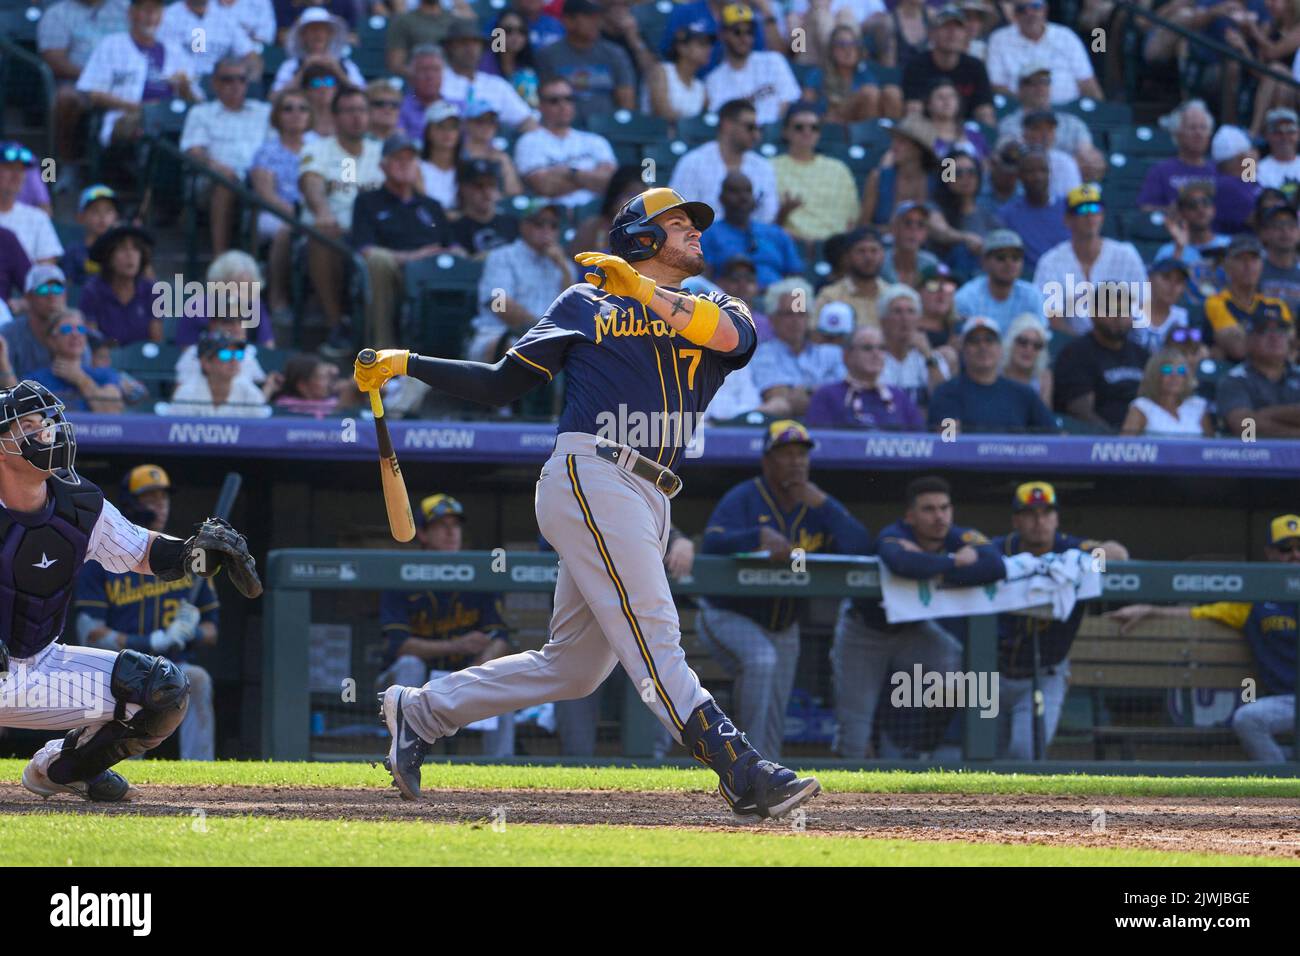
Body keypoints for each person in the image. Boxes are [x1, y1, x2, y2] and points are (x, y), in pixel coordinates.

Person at [355, 186, 822, 820]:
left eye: (694, 225)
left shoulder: (717, 302)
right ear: (641, 236)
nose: (695, 233)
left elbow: (733, 339)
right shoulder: (584, 300)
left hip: (653, 490)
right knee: (656, 629)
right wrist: (409, 361)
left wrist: (644, 292)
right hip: (592, 469)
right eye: (678, 224)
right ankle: (740, 768)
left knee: (574, 668)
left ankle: (420, 711)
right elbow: (502, 385)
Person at [1, 380, 258, 800]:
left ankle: (64, 770)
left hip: (38, 668)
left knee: (162, 690)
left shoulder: (79, 505)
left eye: (45, 423)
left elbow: (143, 551)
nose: (45, 433)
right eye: (26, 426)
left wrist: (195, 553)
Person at [698, 420, 872, 757]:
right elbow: (711, 543)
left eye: (802, 455)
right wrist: (755, 538)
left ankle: (768, 774)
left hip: (783, 625)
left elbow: (861, 545)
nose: (796, 461)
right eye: (786, 454)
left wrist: (825, 505)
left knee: (775, 709)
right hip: (729, 615)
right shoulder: (746, 497)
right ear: (767, 461)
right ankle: (743, 761)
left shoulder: (818, 505)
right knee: (761, 661)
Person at [830, 475, 1002, 758]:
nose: (939, 516)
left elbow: (995, 566)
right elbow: (901, 562)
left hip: (913, 631)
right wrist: (954, 561)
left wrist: (933, 565)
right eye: (929, 509)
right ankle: (843, 793)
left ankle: (919, 748)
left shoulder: (959, 536)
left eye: (944, 508)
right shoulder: (894, 533)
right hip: (865, 633)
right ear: (910, 516)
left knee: (958, 676)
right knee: (854, 737)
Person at [1107, 513, 1298, 763]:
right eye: (1286, 549)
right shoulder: (1255, 601)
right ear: (1270, 554)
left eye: (1299, 548)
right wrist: (1150, 610)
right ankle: (1281, 778)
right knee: (1248, 718)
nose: (1295, 555)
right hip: (1284, 700)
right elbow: (1197, 613)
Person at [75, 464, 221, 761]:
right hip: (119, 668)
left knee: (200, 678)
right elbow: (90, 632)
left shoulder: (186, 559)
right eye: (149, 498)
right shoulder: (101, 560)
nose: (159, 505)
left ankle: (199, 769)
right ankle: (123, 770)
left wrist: (190, 633)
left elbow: (212, 631)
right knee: (128, 697)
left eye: (163, 498)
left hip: (174, 667)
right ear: (130, 503)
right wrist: (151, 643)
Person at [991, 481, 1127, 760]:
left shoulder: (1070, 549)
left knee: (1025, 753)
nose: (1039, 521)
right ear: (1016, 520)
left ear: (1056, 518)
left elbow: (1117, 553)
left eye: (1046, 513)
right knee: (981, 757)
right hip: (991, 674)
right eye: (1030, 514)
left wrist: (1076, 561)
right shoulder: (998, 549)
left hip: (1044, 674)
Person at [378, 494, 516, 757]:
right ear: (423, 534)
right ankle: (404, 754)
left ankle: (501, 765)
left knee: (501, 675)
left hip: (461, 676)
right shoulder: (400, 573)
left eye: (456, 525)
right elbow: (399, 645)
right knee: (410, 665)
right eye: (442, 525)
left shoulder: (480, 573)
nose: (452, 532)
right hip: (414, 680)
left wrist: (480, 668)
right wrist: (456, 645)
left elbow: (500, 636)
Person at [351, 134, 458, 349]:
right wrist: (414, 258)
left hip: (436, 272)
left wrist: (457, 254)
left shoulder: (431, 205)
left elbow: (452, 244)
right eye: (398, 159)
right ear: (383, 166)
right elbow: (365, 250)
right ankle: (383, 351)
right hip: (396, 271)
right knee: (378, 260)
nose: (405, 164)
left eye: (410, 159)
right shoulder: (367, 201)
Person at [298, 86, 384, 351]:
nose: (356, 117)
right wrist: (323, 211)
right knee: (321, 236)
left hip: (374, 234)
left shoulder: (380, 150)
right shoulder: (318, 148)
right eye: (348, 111)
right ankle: (337, 325)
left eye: (361, 110)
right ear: (335, 117)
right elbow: (311, 182)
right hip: (336, 232)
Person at [179, 56, 272, 254]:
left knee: (260, 183)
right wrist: (217, 167)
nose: (235, 85)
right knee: (225, 182)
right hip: (212, 179)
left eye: (241, 79)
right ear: (214, 83)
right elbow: (193, 150)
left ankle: (253, 266)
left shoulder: (263, 112)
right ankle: (219, 258)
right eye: (227, 79)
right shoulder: (201, 112)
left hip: (257, 179)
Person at [76, 0, 197, 148]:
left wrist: (185, 86)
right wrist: (140, 108)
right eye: (146, 11)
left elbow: (195, 100)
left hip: (170, 116)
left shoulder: (175, 50)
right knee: (146, 128)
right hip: (127, 115)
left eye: (156, 11)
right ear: (131, 13)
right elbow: (92, 93)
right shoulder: (111, 44)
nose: (151, 17)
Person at [1032, 184, 1148, 336]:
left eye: (1095, 209)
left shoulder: (1126, 254)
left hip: (1122, 340)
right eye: (1082, 210)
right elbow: (1051, 317)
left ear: (1102, 215)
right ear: (1068, 219)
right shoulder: (1050, 262)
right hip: (1071, 347)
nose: (1089, 216)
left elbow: (1143, 305)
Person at [466, 199, 572, 362]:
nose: (547, 230)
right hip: (499, 334)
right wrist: (540, 331)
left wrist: (564, 268)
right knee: (511, 349)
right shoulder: (502, 256)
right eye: (539, 223)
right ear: (524, 226)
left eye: (553, 225)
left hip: (551, 341)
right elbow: (498, 303)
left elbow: (573, 307)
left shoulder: (564, 265)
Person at [249, 88, 317, 325]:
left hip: (313, 212)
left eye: (302, 108)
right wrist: (294, 214)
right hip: (276, 212)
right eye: (288, 108)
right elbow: (265, 192)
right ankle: (278, 298)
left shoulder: (319, 147)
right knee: (284, 231)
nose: (296, 114)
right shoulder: (267, 149)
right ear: (277, 115)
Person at [38, 0, 130, 163]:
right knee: (65, 98)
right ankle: (66, 163)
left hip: (127, 81)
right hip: (79, 83)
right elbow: (54, 60)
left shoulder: (126, 8)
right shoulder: (57, 13)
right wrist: (95, 77)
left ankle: (132, 170)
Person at [927, 315, 1055, 433]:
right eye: (974, 341)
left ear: (1000, 349)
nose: (983, 346)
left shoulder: (1024, 394)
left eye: (989, 340)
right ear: (963, 350)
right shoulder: (947, 393)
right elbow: (947, 443)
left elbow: (1054, 438)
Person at [1052, 282, 1151, 430]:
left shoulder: (1142, 355)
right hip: (1097, 440)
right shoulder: (1076, 354)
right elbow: (1080, 410)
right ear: (1093, 314)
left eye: (1124, 310)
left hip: (1145, 438)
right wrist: (1115, 440)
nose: (1118, 316)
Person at [514, 77, 617, 211]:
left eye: (568, 99)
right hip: (553, 220)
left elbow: (610, 183)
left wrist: (571, 173)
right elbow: (544, 186)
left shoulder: (595, 141)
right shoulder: (529, 141)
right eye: (554, 101)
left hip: (596, 215)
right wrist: (591, 179)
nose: (563, 105)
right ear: (540, 106)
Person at [670, 99, 780, 224]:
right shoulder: (693, 163)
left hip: (752, 239)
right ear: (727, 124)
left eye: (759, 129)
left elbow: (768, 217)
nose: (756, 135)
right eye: (750, 127)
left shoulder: (763, 167)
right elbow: (680, 213)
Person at [748, 279, 846, 417]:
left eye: (801, 313)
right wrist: (823, 392)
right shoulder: (761, 355)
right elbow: (777, 397)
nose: (796, 320)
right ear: (772, 319)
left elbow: (845, 396)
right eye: (788, 314)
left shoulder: (833, 354)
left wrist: (801, 392)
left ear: (809, 318)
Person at [997, 64, 1104, 181]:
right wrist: (1066, 165)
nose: (1040, 87)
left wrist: (1087, 162)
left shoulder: (1072, 122)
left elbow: (1088, 157)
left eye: (1045, 82)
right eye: (1032, 82)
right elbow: (1014, 156)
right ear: (1020, 89)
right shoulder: (1009, 123)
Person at [806, 324, 925, 429]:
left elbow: (922, 443)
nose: (876, 354)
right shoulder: (827, 396)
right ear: (846, 356)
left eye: (881, 348)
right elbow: (821, 445)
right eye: (867, 348)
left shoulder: (898, 396)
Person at [535, 0, 636, 123]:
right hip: (564, 129)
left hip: (608, 130)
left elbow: (626, 100)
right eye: (589, 17)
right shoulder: (548, 55)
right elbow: (544, 99)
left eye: (598, 17)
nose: (596, 23)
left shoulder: (614, 53)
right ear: (568, 21)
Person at [772, 107, 859, 247]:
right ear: (785, 132)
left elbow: (851, 221)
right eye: (799, 127)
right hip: (788, 243)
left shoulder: (838, 169)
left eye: (814, 127)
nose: (807, 132)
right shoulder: (770, 168)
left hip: (835, 246)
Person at [985, 0, 1102, 103]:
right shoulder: (999, 39)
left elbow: (1087, 82)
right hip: (1021, 113)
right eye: (1022, 9)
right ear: (1014, 15)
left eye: (1036, 6)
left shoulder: (1066, 36)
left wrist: (1102, 110)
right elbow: (996, 86)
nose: (1030, 13)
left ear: (1045, 10)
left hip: (1069, 111)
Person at [701, 173, 804, 289]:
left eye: (748, 191)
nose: (743, 198)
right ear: (721, 198)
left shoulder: (776, 234)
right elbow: (704, 280)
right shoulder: (709, 234)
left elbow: (796, 277)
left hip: (774, 300)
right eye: (735, 191)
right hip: (730, 300)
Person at [704, 3, 800, 125]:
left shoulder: (774, 61)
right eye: (737, 32)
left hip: (775, 135)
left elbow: (789, 100)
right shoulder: (714, 80)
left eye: (749, 32)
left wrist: (771, 132)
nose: (744, 38)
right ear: (723, 34)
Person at [900, 5, 995, 125]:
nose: (952, 33)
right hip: (926, 132)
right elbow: (913, 110)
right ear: (932, 34)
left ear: (966, 35)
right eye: (945, 27)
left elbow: (984, 110)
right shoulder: (916, 65)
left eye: (958, 28)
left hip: (966, 132)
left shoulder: (976, 67)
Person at [1204, 234, 1292, 363]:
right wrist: (1274, 342)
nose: (1248, 265)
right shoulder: (1216, 302)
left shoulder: (1277, 305)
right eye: (1240, 259)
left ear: (1262, 265)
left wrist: (1245, 333)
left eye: (1254, 259)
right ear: (1227, 265)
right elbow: (1238, 349)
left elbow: (1291, 346)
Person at [438, 18, 536, 131]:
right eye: (463, 43)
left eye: (475, 43)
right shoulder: (438, 80)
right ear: (450, 47)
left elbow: (527, 120)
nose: (470, 49)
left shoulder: (496, 84)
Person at [1216, 308, 1300, 438]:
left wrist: (1263, 414)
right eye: (1263, 331)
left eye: (1281, 331)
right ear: (1248, 340)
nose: (1274, 337)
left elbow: (1250, 422)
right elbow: (1245, 429)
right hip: (1253, 455)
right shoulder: (1234, 379)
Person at [76, 224, 162, 346]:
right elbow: (92, 342)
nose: (130, 255)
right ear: (108, 257)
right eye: (122, 249)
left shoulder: (152, 291)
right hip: (104, 362)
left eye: (136, 249)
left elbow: (156, 344)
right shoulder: (92, 291)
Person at [29, 310, 125, 413]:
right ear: (51, 340)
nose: (75, 334)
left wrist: (81, 379)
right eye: (66, 329)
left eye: (80, 329)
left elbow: (112, 413)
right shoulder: (35, 381)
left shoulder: (104, 374)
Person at [1152, 180, 1227, 310]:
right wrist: (1180, 248)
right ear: (1181, 213)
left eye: (1205, 203)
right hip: (1185, 317)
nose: (1200, 209)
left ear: (1213, 209)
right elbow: (1159, 294)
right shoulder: (1169, 250)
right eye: (1192, 205)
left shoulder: (1230, 245)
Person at [954, 230, 1044, 333]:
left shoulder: (1033, 295)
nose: (1009, 263)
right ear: (984, 262)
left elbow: (1041, 338)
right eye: (1001, 257)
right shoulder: (966, 297)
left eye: (1015, 257)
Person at [801, 23, 893, 123]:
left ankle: (883, 136)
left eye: (853, 45)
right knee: (868, 93)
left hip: (859, 121)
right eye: (842, 45)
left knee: (892, 93)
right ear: (832, 49)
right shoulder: (817, 74)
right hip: (829, 124)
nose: (848, 50)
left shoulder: (864, 75)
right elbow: (806, 107)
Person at [996, 146, 1067, 272]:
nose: (1038, 177)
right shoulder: (1007, 214)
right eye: (1030, 171)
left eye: (1043, 170)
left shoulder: (1067, 207)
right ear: (1020, 176)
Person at [813, 226, 900, 330]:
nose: (868, 257)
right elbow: (815, 333)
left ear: (882, 255)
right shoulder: (829, 297)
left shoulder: (893, 296)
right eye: (861, 251)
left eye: (874, 251)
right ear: (847, 257)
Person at [859, 114, 938, 227]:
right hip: (882, 242)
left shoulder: (935, 181)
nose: (893, 146)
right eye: (894, 140)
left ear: (919, 149)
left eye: (902, 142)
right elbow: (863, 225)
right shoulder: (878, 177)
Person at [1137, 100, 1216, 212]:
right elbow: (1145, 209)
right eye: (1192, 128)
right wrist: (1176, 211)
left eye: (1203, 128)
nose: (1199, 133)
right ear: (1178, 134)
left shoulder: (1219, 171)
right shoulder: (1160, 172)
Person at [166, 331, 269, 416]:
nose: (234, 360)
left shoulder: (250, 393)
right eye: (226, 354)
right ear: (205, 363)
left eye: (238, 354)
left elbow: (263, 434)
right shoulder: (186, 394)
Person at [879, 286, 949, 406]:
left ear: (918, 319)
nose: (904, 318)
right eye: (897, 311)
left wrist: (928, 355)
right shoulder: (873, 355)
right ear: (883, 321)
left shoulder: (932, 358)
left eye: (911, 311)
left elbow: (944, 401)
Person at [1120, 348, 1214, 436]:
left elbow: (1211, 449)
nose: (1174, 376)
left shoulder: (1197, 406)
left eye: (1180, 370)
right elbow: (1125, 448)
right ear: (1155, 375)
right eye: (1167, 370)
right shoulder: (1142, 407)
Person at [270, 6, 364, 93]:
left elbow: (363, 95)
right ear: (303, 36)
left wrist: (338, 71)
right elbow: (275, 97)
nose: (318, 35)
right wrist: (304, 69)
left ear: (330, 34)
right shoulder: (291, 66)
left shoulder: (345, 65)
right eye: (312, 30)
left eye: (322, 30)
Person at [159, 0, 258, 80]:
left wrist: (247, 81)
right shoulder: (167, 16)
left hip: (222, 85)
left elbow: (250, 55)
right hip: (184, 83)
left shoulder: (225, 16)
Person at [3, 266, 72, 379]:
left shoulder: (77, 332)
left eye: (57, 289)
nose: (52, 296)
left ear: (65, 296)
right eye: (43, 290)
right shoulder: (8, 335)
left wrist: (81, 379)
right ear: (28, 297)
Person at [0, 144, 63, 266]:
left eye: (21, 170)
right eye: (9, 168)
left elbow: (47, 272)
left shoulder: (38, 218)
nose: (17, 175)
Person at [451, 158, 521, 256]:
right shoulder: (454, 230)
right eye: (479, 186)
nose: (486, 192)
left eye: (491, 185)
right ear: (463, 188)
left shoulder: (512, 223)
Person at [386, 0, 477, 74]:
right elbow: (396, 64)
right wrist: (427, 75)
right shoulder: (403, 21)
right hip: (419, 81)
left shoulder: (455, 20)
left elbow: (469, 57)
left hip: (454, 80)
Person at [646, 19, 711, 121]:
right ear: (682, 48)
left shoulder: (701, 88)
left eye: (709, 44)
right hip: (656, 135)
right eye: (702, 44)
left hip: (688, 136)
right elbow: (662, 113)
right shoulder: (662, 71)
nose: (708, 49)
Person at [62, 186, 121, 293]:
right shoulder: (73, 251)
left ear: (116, 217)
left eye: (108, 211)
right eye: (95, 211)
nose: (102, 217)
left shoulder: (122, 251)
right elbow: (66, 286)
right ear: (81, 217)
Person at [459, 102, 525, 197]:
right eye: (480, 121)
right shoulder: (458, 153)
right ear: (467, 123)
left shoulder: (501, 157)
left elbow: (513, 191)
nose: (486, 126)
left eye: (491, 121)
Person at [1132, 256, 1195, 352]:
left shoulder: (1184, 317)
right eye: (1166, 277)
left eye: (1179, 281)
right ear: (1150, 279)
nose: (1172, 286)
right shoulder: (1130, 313)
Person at [481, 7, 541, 108]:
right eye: (508, 31)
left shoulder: (529, 66)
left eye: (521, 31)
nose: (515, 35)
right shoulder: (482, 61)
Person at [272, 352, 355, 416]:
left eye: (328, 377)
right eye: (322, 378)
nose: (329, 383)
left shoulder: (332, 403)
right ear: (302, 385)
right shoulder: (284, 408)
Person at [882, 200, 939, 289]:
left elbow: (933, 291)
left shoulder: (931, 264)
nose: (914, 229)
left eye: (920, 224)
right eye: (908, 223)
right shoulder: (880, 263)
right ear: (894, 228)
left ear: (926, 233)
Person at [1000, 311, 1053, 406]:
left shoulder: (1043, 379)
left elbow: (1042, 418)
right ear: (1011, 343)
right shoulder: (995, 371)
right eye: (1023, 342)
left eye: (1036, 345)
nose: (1029, 349)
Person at [419, 100, 462, 210]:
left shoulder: (466, 169)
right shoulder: (417, 168)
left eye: (453, 127)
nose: (448, 132)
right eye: (441, 126)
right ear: (428, 131)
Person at [1259, 203, 1300, 318]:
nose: (1285, 231)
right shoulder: (1253, 269)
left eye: (1291, 226)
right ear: (1265, 233)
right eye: (1278, 226)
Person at [397, 45, 447, 139]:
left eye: (436, 70)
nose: (430, 76)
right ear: (412, 74)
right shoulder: (399, 108)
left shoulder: (458, 108)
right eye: (424, 70)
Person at [1258, 107, 1300, 202]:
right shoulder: (1258, 169)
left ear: (1298, 134)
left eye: (1290, 132)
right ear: (1267, 135)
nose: (1285, 137)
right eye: (1278, 132)